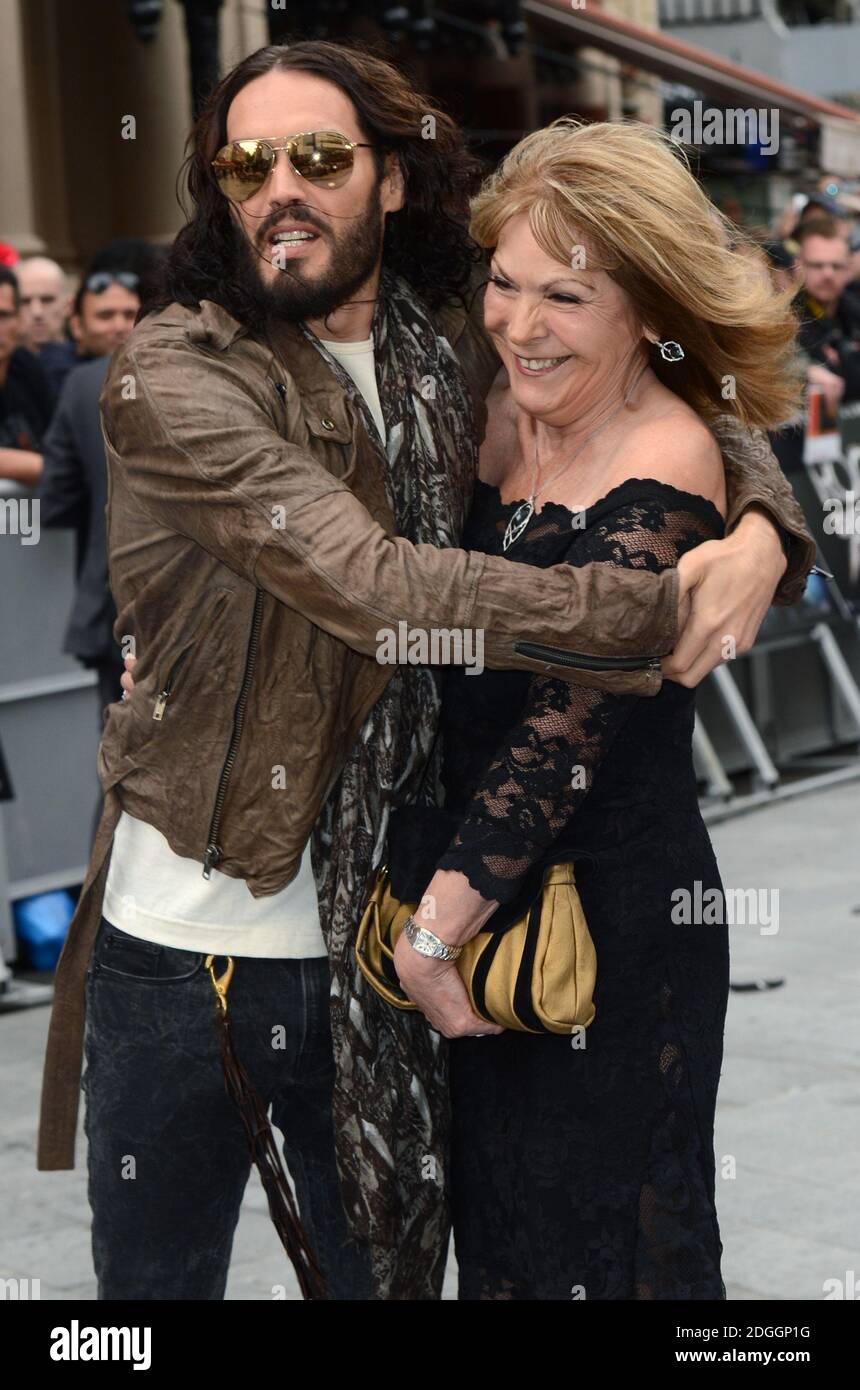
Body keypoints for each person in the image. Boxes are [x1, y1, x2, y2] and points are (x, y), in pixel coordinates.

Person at [37, 41, 814, 1303]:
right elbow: (375, 586)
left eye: (320, 157)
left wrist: (765, 530)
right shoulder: (176, 372)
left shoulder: (452, 332)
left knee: (399, 1279)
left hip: (378, 932)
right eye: (247, 161)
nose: (280, 186)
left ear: (390, 180)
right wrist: (643, 600)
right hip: (185, 938)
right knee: (144, 1299)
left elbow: (654, 364)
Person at [391, 117, 802, 1300]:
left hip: (611, 926)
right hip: (482, 908)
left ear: (645, 308)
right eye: (506, 285)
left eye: (564, 296)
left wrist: (432, 934)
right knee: (508, 1251)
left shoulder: (670, 456)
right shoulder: (481, 415)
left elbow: (564, 730)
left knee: (624, 1251)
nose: (521, 324)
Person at [794, 216, 860, 409]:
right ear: (799, 265)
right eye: (817, 265)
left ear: (848, 267)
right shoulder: (781, 317)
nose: (828, 274)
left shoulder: (854, 311)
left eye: (836, 266)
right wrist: (803, 373)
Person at [0, 266, 54, 485]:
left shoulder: (27, 368)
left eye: (2, 315)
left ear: (20, 320)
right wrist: (51, 467)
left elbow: (60, 441)